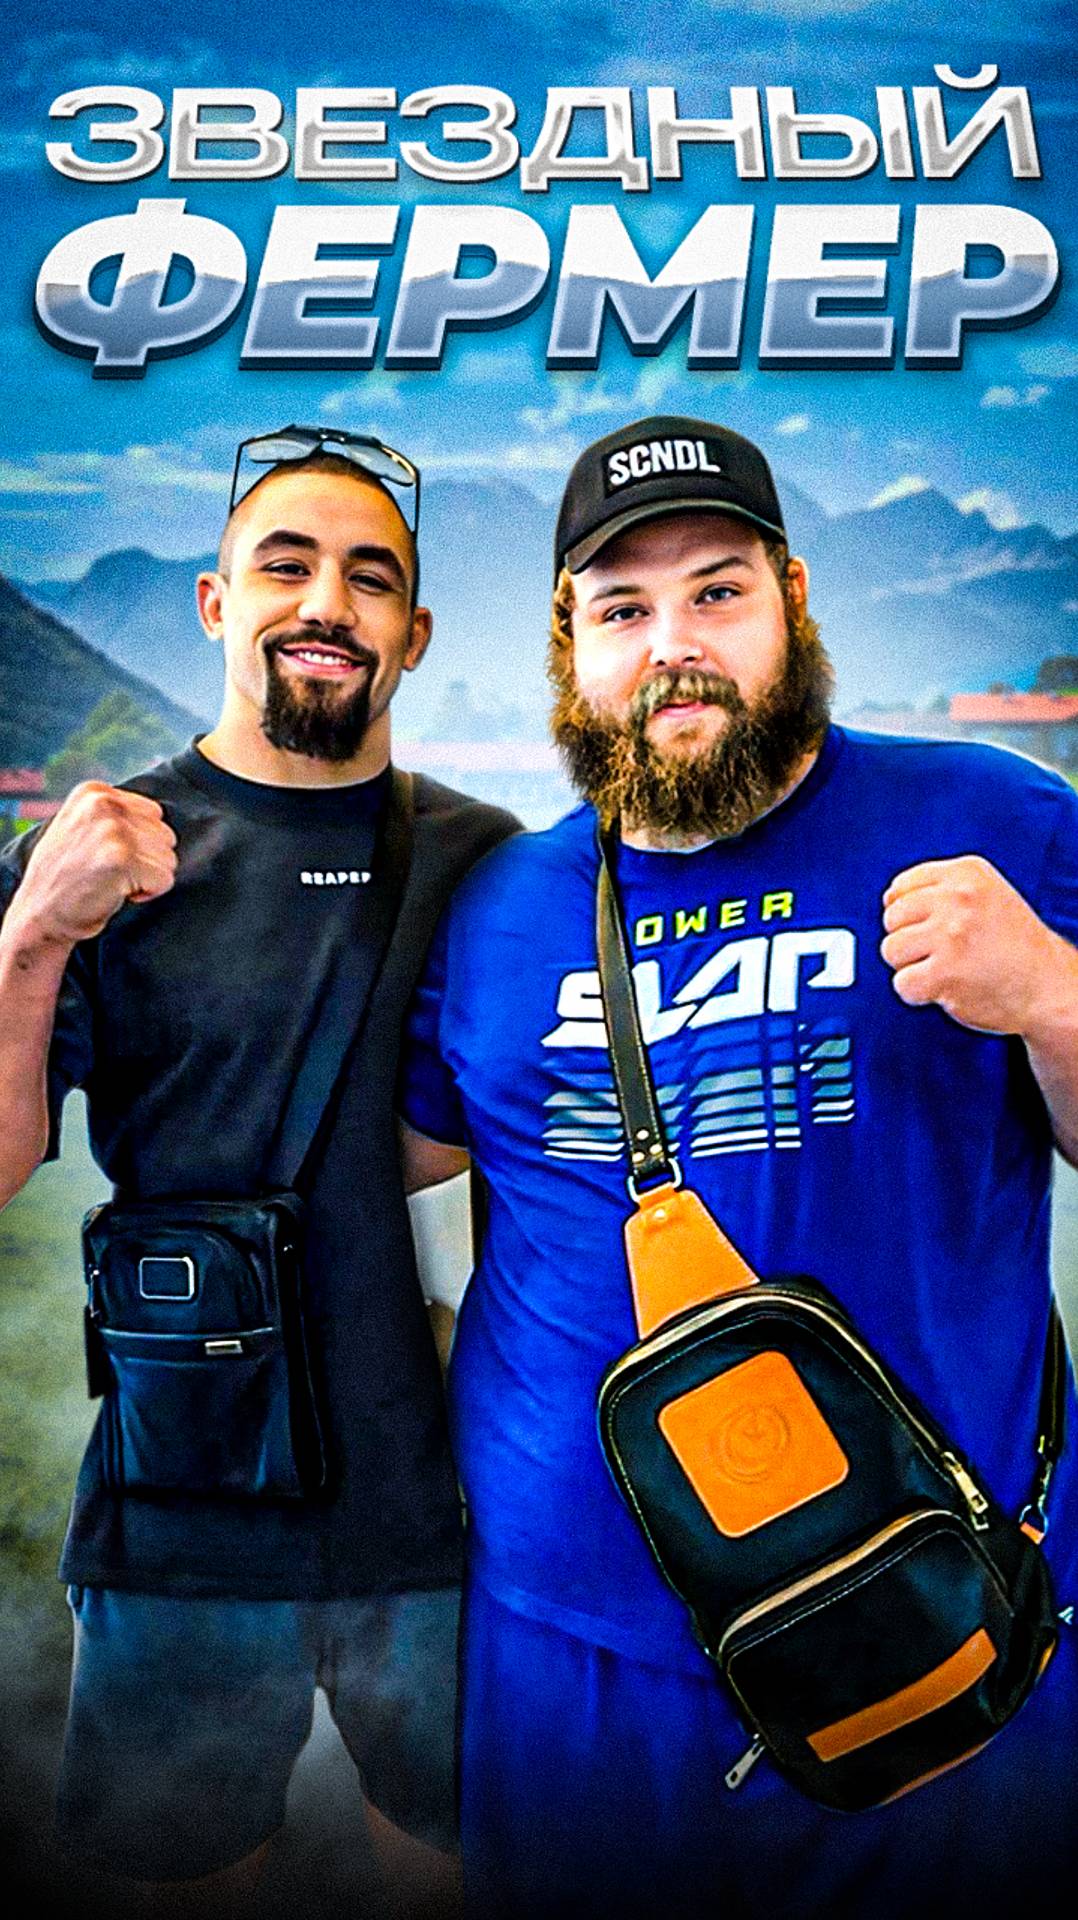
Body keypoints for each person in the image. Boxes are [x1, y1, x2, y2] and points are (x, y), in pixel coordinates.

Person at [400, 415, 1078, 1917]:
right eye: (623, 609)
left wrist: (1048, 992)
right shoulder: (499, 906)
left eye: (717, 591)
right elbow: (389, 1174)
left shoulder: (991, 819)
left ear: (793, 598)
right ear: (569, 642)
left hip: (928, 1625)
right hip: (571, 1661)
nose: (674, 647)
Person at [0, 424, 518, 1911]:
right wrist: (32, 935)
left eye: (370, 578)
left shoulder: (492, 863)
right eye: (285, 566)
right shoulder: (105, 853)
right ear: (216, 601)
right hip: (181, 1515)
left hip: (444, 1524)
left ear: (414, 632)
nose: (326, 604)